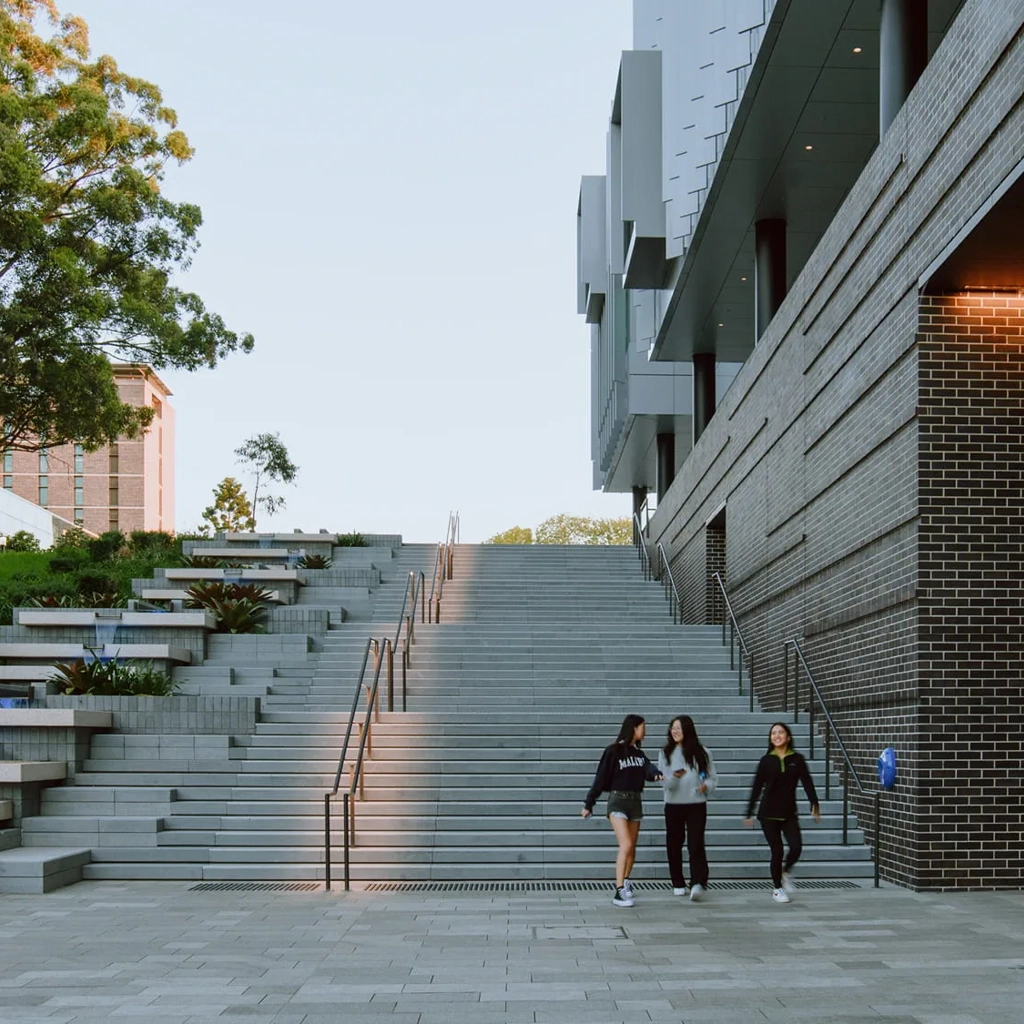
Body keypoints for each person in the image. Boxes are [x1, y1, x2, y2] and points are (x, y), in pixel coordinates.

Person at [581, 714, 662, 908]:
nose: (645, 731)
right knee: (625, 845)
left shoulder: (639, 754)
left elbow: (648, 769)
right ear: (633, 728)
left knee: (632, 848)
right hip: (618, 801)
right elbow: (600, 777)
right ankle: (618, 891)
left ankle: (626, 881)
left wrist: (656, 774)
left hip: (635, 802)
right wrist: (589, 803)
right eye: (643, 727)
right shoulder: (613, 751)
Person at [744, 721, 821, 904]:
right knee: (776, 850)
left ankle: (785, 871)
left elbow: (807, 782)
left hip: (789, 813)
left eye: (780, 732)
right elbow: (756, 787)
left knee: (796, 847)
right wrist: (749, 811)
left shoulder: (797, 759)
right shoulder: (766, 760)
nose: (777, 736)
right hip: (768, 813)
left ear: (788, 737)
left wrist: (814, 804)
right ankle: (777, 889)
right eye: (773, 733)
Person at [658, 715, 717, 901]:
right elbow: (665, 783)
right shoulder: (665, 753)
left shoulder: (703, 752)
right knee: (674, 844)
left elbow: (712, 778)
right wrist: (675, 777)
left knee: (696, 842)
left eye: (679, 728)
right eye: (672, 728)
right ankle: (677, 882)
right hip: (673, 804)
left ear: (688, 730)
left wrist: (706, 786)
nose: (674, 731)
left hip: (696, 804)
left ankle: (698, 882)